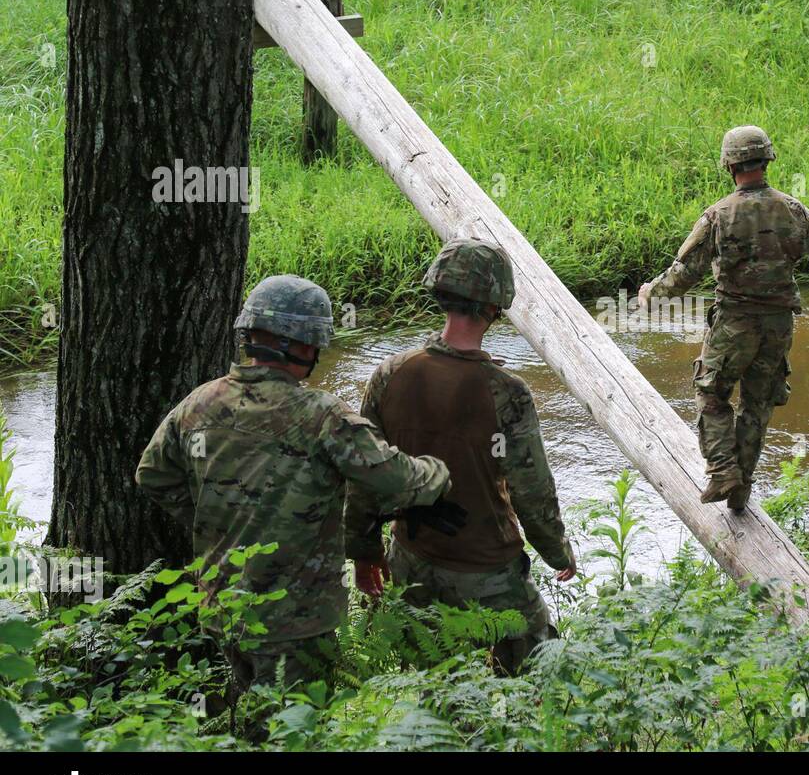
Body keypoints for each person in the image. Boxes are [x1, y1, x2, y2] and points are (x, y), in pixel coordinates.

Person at [136, 274, 454, 693]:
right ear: (304, 345)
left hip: (222, 607)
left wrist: (215, 518)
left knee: (243, 720)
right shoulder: (321, 415)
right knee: (297, 728)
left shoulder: (200, 402)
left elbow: (152, 474)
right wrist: (440, 471)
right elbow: (393, 480)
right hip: (296, 619)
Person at [343, 239, 576, 676]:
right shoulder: (508, 392)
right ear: (496, 304)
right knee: (546, 677)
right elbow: (533, 489)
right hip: (488, 571)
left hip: (411, 560)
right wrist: (558, 552)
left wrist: (364, 553)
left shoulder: (389, 375)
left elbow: (364, 477)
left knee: (440, 684)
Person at [637, 125, 809, 510]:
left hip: (733, 324)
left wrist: (650, 294)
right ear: (767, 160)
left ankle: (722, 471)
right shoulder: (794, 210)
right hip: (779, 325)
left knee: (711, 392)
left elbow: (684, 274)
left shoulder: (718, 215)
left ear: (729, 164)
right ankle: (741, 490)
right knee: (758, 405)